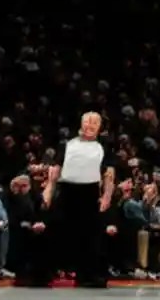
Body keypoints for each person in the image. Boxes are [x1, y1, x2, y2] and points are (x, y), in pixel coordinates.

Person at [52, 112, 115, 288]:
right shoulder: (68, 143)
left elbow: (109, 172)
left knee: (92, 235)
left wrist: (107, 195)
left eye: (95, 122)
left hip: (91, 191)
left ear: (100, 126)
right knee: (63, 230)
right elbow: (56, 168)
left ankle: (90, 274)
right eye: (88, 121)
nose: (91, 125)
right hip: (67, 190)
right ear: (81, 123)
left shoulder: (104, 145)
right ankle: (53, 271)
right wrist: (49, 191)